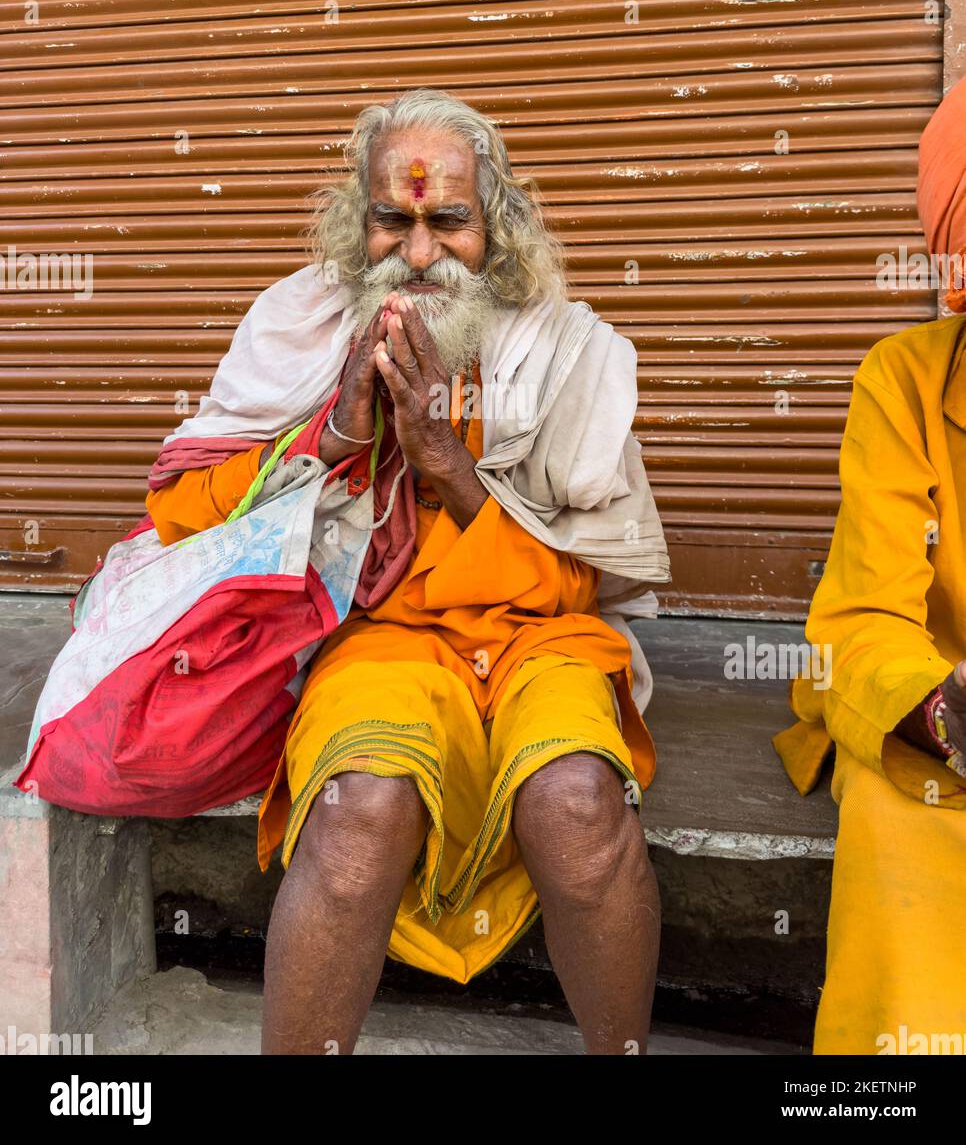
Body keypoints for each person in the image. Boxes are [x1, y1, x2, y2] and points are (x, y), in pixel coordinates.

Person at [145, 88, 670, 1055]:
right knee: (360, 808)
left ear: (495, 222)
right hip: (375, 635)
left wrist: (446, 464)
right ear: (360, 220)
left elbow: (580, 580)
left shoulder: (568, 353)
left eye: (448, 222)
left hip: (535, 638)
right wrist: (339, 430)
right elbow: (186, 518)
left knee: (577, 802)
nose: (419, 254)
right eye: (395, 218)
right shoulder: (298, 327)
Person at [774, 77, 966, 1055]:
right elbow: (864, 622)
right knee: (900, 805)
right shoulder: (904, 383)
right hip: (931, 719)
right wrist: (942, 712)